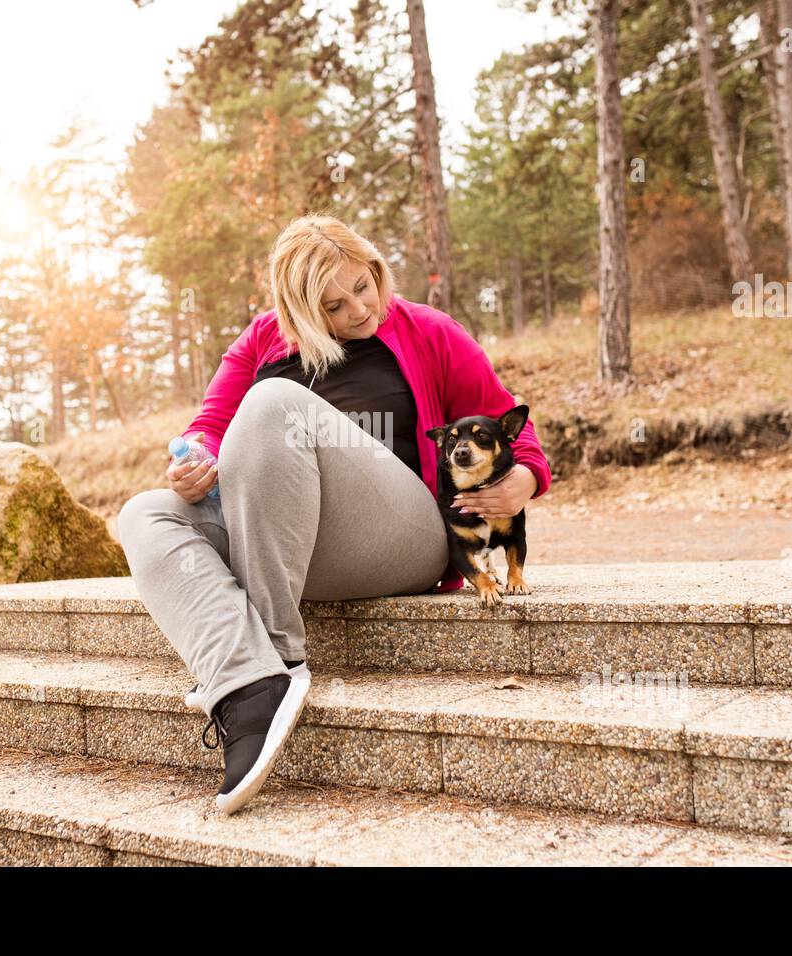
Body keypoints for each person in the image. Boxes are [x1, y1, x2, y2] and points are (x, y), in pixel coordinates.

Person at [116, 214, 552, 816]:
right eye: (331, 305)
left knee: (273, 403)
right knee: (144, 514)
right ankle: (249, 687)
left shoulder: (429, 331)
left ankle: (279, 648)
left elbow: (520, 439)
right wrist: (195, 460)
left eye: (362, 287)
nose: (357, 309)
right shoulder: (263, 340)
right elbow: (208, 428)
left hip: (403, 538)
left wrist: (523, 481)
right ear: (297, 311)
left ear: (374, 270)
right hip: (283, 537)